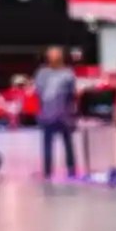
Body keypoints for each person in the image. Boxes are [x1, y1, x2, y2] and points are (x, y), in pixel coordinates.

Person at [34, 46, 77, 180]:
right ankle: (47, 171)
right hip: (47, 115)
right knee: (47, 144)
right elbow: (39, 93)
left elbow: (72, 94)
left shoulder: (68, 73)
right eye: (51, 56)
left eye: (56, 56)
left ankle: (71, 169)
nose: (54, 59)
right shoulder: (42, 73)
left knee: (68, 143)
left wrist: (71, 112)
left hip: (64, 115)